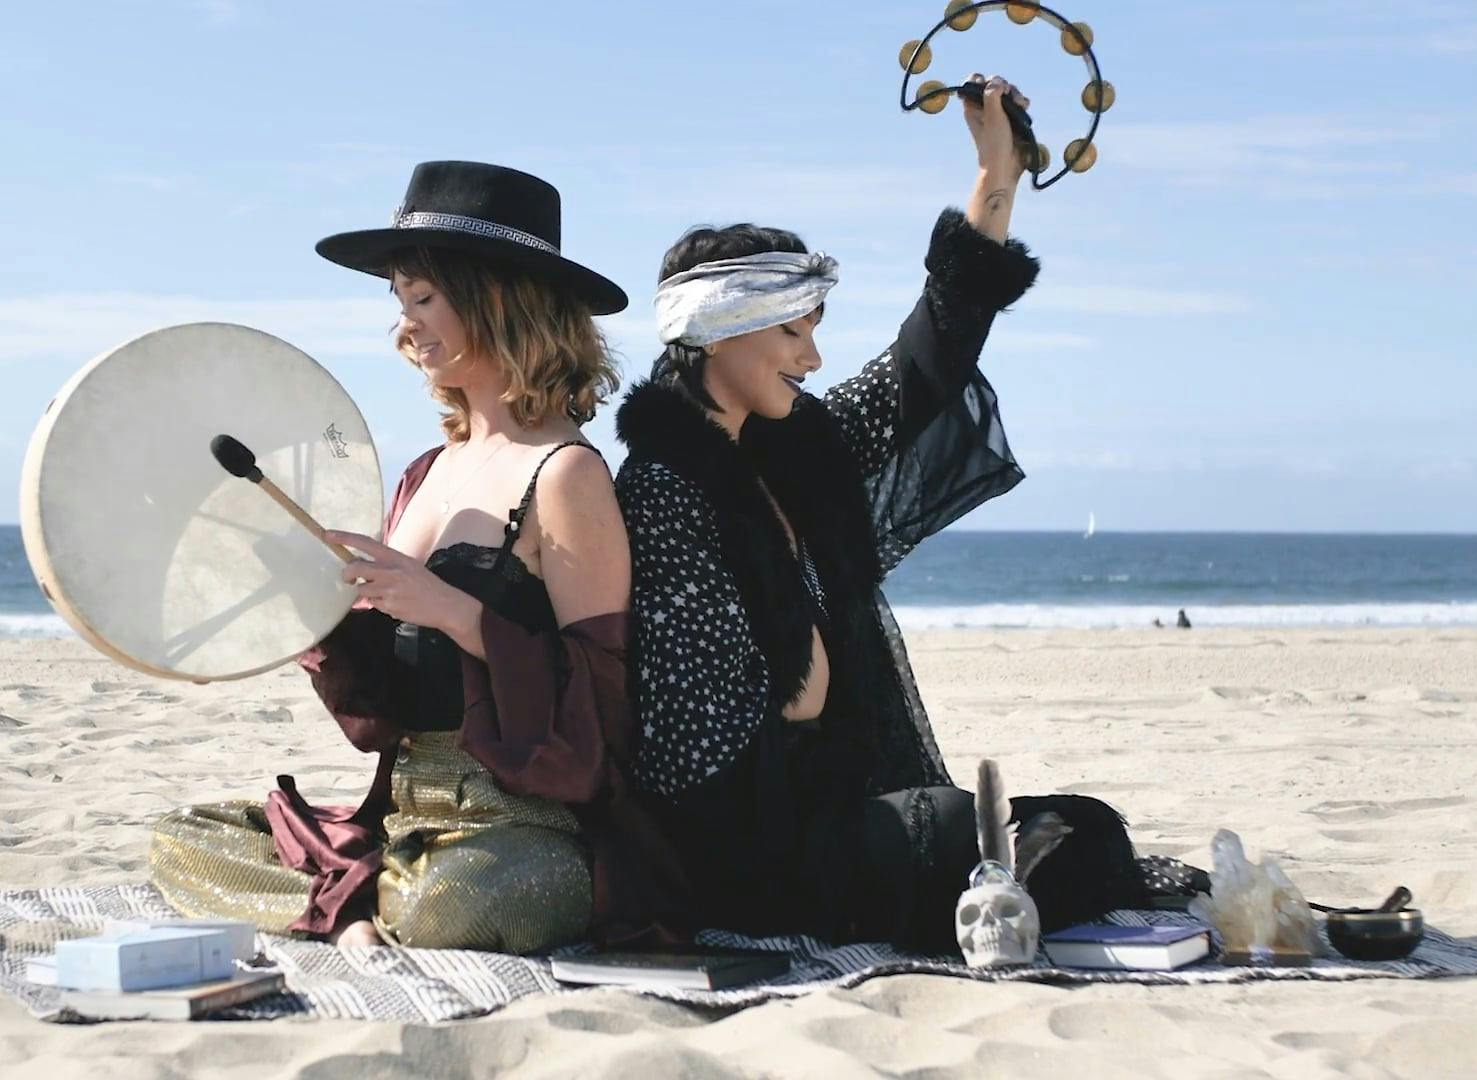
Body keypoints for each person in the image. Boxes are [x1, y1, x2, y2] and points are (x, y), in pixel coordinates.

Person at [614, 76, 1201, 952]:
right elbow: (690, 746)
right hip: (749, 851)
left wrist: (994, 173)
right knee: (995, 838)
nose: (813, 357)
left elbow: (926, 358)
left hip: (832, 807)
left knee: (1082, 828)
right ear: (719, 329)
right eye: (792, 332)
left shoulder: (793, 452)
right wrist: (801, 686)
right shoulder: (661, 489)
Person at [150, 162, 682, 952]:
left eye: (424, 299)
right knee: (180, 834)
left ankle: (354, 911)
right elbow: (386, 708)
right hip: (398, 814)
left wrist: (458, 614)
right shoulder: (424, 475)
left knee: (450, 906)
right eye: (400, 305)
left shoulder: (565, 472)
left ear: (499, 297)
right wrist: (319, 614)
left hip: (523, 826)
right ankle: (363, 907)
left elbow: (606, 703)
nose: (405, 327)